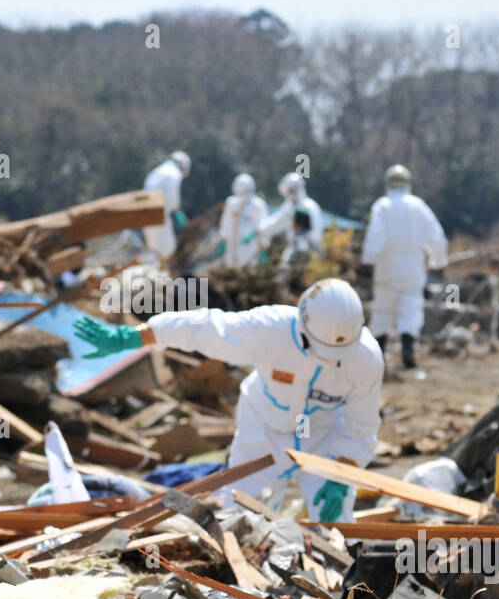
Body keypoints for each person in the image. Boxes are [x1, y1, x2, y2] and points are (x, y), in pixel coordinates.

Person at [73, 278, 381, 521]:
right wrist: (130, 337)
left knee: (334, 522)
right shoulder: (270, 329)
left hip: (318, 433)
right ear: (301, 329)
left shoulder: (366, 360)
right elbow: (203, 328)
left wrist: (343, 475)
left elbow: (361, 426)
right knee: (245, 514)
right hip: (264, 426)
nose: (326, 362)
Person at [360, 164, 447, 369]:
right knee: (411, 309)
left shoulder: (382, 205)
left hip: (386, 267)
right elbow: (435, 235)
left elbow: (375, 235)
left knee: (382, 309)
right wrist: (438, 261)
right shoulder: (418, 206)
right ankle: (407, 351)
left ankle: (379, 354)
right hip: (413, 267)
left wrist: (368, 259)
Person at [261, 172, 325, 263]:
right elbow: (276, 222)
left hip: (307, 252)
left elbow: (308, 235)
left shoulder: (306, 207)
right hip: (293, 249)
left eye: (290, 190)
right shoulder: (290, 205)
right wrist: (260, 230)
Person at [142, 150, 190, 260]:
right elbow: (172, 200)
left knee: (153, 247)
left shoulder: (157, 171)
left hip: (146, 215)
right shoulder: (174, 174)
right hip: (159, 215)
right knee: (165, 249)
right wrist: (178, 213)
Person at [216, 173, 267, 267]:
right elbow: (225, 222)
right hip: (231, 246)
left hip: (249, 246)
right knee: (230, 270)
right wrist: (223, 239)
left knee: (248, 272)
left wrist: (263, 245)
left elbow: (263, 225)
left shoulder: (258, 205)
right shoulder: (231, 203)